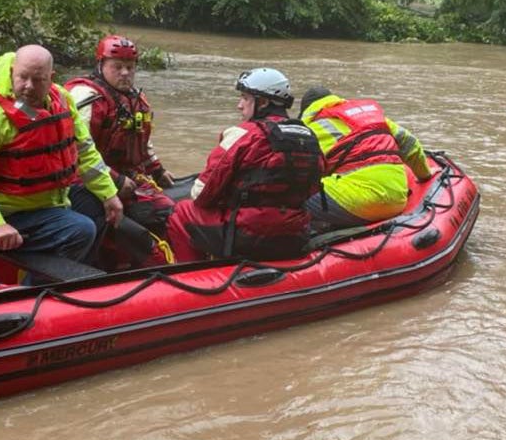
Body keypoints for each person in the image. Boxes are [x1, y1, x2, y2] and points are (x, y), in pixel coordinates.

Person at [0, 45, 123, 277]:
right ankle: (36, 289)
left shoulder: (62, 99)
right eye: (22, 77)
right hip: (7, 210)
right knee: (81, 230)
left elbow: (85, 151)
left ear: (51, 78)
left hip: (47, 201)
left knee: (97, 205)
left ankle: (79, 272)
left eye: (38, 80)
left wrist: (109, 195)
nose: (28, 86)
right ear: (12, 71)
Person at [165, 68, 323, 262]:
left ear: (263, 102)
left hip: (246, 236)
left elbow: (201, 194)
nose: (239, 105)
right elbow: (314, 189)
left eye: (245, 98)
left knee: (181, 211)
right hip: (296, 232)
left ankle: (188, 274)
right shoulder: (308, 136)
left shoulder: (242, 134)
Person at [64, 35, 176, 268]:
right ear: (101, 66)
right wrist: (115, 181)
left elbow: (142, 142)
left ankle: (133, 262)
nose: (125, 73)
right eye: (117, 67)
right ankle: (106, 264)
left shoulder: (136, 99)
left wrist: (157, 169)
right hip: (83, 180)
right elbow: (76, 152)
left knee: (165, 211)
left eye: (130, 67)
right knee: (110, 219)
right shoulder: (87, 98)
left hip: (124, 175)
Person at [298, 87, 433, 232]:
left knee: (288, 196)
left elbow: (298, 171)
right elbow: (411, 145)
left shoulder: (311, 130)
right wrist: (425, 175)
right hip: (397, 199)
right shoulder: (373, 118)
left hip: (359, 202)